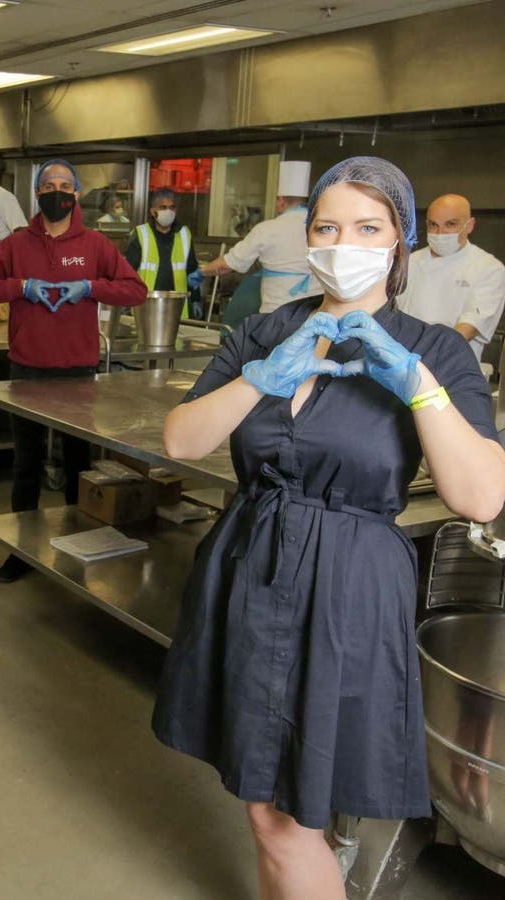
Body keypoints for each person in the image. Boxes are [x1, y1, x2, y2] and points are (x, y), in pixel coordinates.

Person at [152, 156, 505, 899]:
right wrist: (257, 380)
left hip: (350, 588)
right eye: (328, 226)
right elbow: (182, 439)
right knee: (266, 805)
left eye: (368, 227)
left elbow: (479, 493)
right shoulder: (261, 333)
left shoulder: (434, 349)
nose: (345, 242)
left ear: (399, 243)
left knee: (288, 816)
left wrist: (414, 383)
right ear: (308, 237)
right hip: (252, 565)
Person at [0, 159, 147, 584]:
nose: (57, 192)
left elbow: (135, 290)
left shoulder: (96, 244)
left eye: (65, 185)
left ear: (77, 195)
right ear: (38, 193)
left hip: (78, 370)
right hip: (27, 367)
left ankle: (78, 542)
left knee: (78, 462)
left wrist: (90, 287)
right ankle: (20, 551)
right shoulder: (16, 245)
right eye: (49, 185)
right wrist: (20, 286)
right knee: (25, 463)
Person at [199, 161, 320, 315]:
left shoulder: (268, 229)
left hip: (276, 316)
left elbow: (227, 265)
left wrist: (201, 272)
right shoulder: (322, 228)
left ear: (281, 201)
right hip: (313, 315)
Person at [396, 193, 505, 362]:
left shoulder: (489, 268)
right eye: (433, 225)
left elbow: (470, 326)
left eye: (450, 224)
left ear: (469, 225)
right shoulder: (410, 262)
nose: (440, 233)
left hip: (452, 364)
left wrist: (426, 353)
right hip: (402, 359)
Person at [125, 188, 202, 315]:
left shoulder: (184, 234)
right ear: (153, 211)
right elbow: (128, 272)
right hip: (146, 305)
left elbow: (192, 270)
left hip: (177, 307)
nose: (168, 211)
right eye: (163, 207)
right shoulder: (140, 234)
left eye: (172, 207)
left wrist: (195, 299)